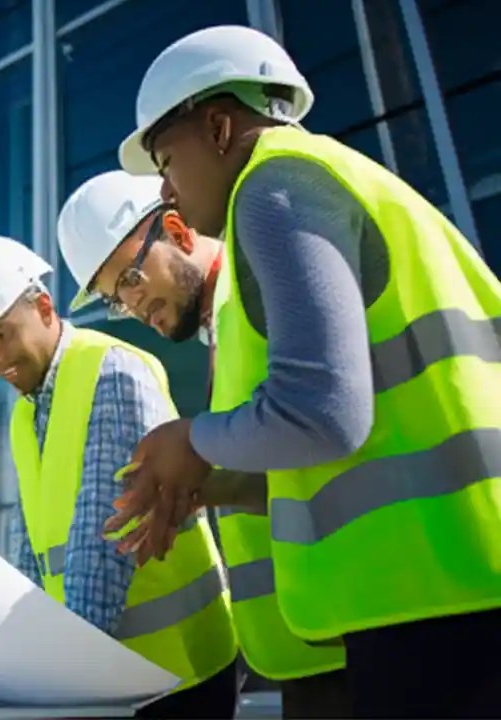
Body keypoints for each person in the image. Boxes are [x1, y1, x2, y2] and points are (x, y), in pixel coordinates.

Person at [105, 24, 501, 718]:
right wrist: (214, 478)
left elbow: (322, 412)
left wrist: (191, 440)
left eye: (167, 161)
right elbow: (352, 434)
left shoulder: (273, 187)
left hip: (435, 605)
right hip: (455, 584)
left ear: (220, 128)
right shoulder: (352, 181)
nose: (166, 190)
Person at [57, 169, 351, 718]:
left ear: (176, 229)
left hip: (360, 631)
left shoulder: (262, 294)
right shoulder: (224, 328)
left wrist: (195, 442)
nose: (133, 306)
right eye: (116, 298)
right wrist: (205, 488)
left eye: (132, 278)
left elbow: (329, 424)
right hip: (306, 647)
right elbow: (295, 471)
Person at [0, 236, 239, 719]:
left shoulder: (110, 372)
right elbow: (32, 554)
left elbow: (103, 543)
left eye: (1, 332)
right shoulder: (25, 414)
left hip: (177, 675)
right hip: (109, 674)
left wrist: (61, 679)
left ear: (42, 306)